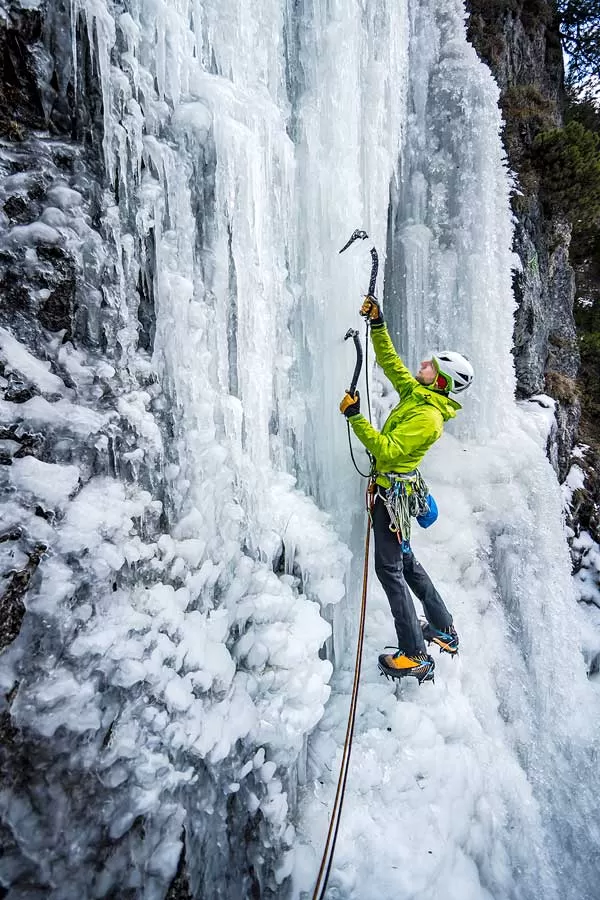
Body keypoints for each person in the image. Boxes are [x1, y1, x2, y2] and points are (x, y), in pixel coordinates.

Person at [339, 296, 474, 684]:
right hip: (396, 493)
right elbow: (390, 362)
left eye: (430, 366)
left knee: (390, 569)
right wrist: (378, 323)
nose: (422, 366)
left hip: (391, 497)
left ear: (442, 380)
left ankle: (415, 652)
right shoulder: (419, 394)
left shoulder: (429, 418)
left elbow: (386, 450)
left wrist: (355, 418)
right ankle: (444, 629)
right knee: (407, 564)